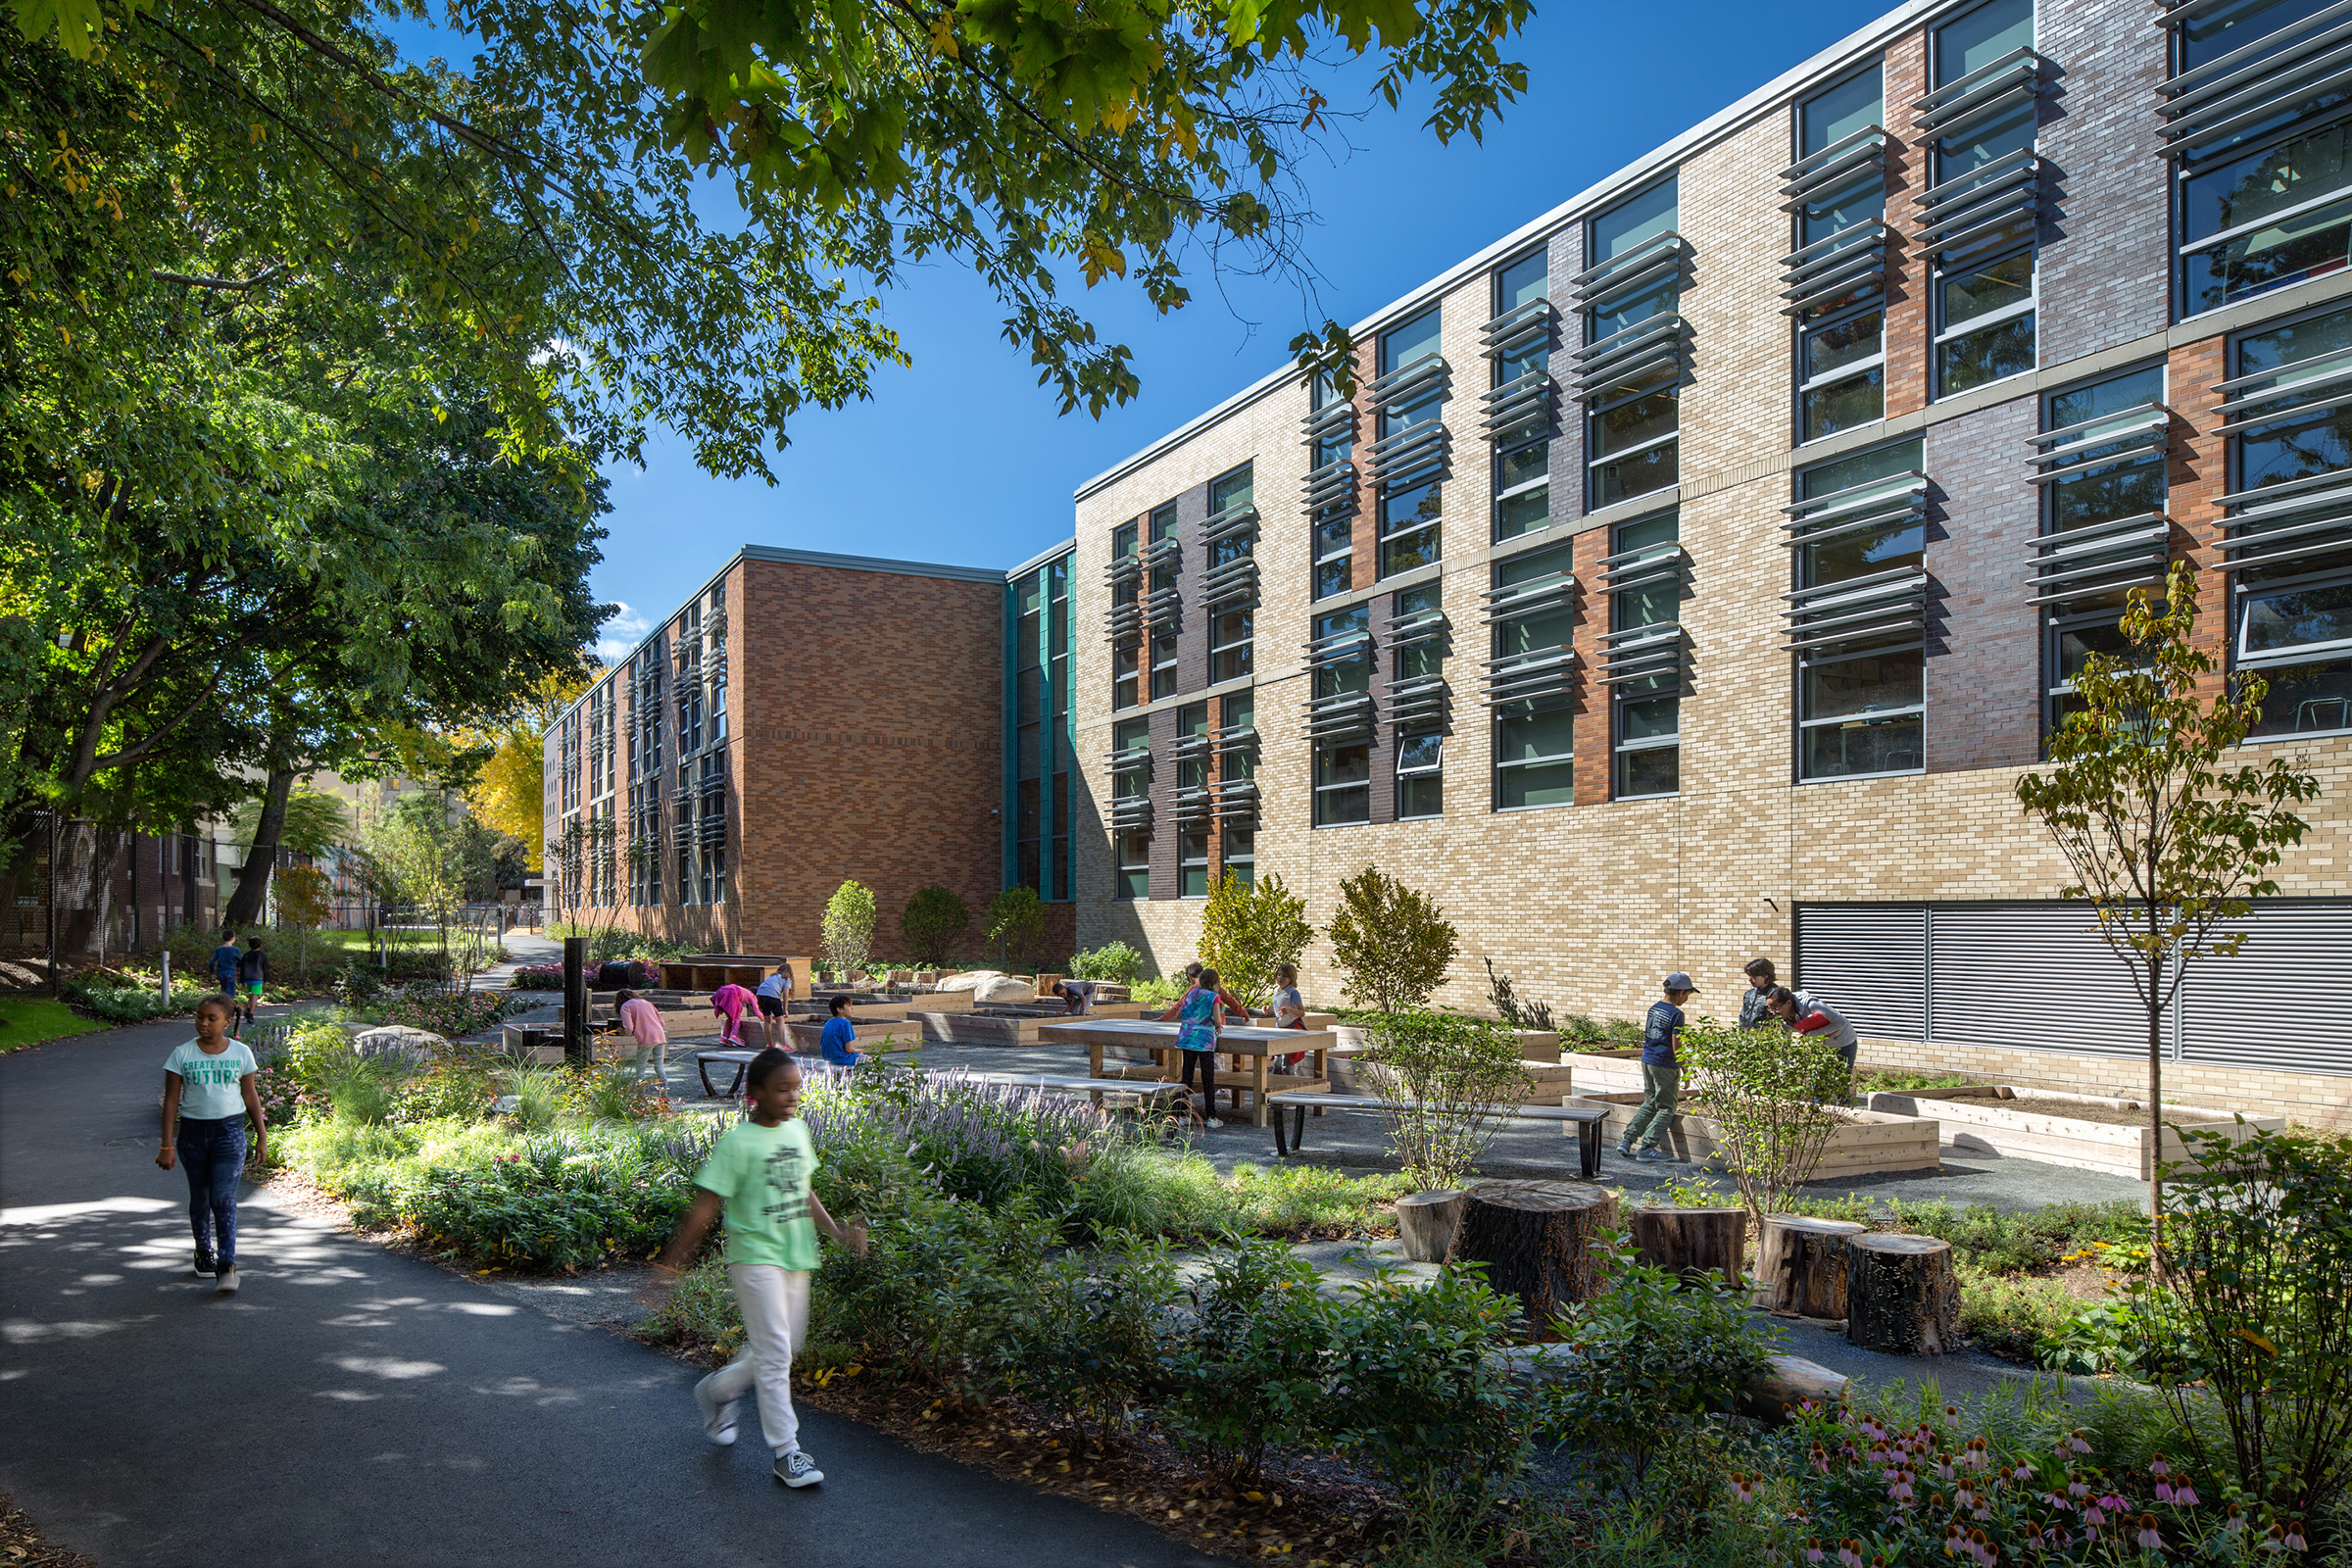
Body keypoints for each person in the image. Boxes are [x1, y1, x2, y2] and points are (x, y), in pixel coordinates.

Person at [646, 1049, 868, 1490]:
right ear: (755, 1093)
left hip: (795, 1254)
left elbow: (804, 1190)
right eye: (782, 1088)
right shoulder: (738, 1144)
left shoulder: (798, 1132)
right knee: (774, 1355)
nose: (792, 1097)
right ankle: (787, 1452)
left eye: (796, 1088)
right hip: (753, 1258)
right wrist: (670, 1268)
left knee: (783, 1348)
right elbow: (703, 1208)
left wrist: (836, 1231)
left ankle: (718, 1391)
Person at [157, 994, 267, 1295]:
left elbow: (250, 1097)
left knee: (224, 1198)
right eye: (198, 1017)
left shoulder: (241, 1053)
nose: (202, 1023)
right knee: (201, 1197)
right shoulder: (182, 1054)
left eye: (211, 1018)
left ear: (228, 1022)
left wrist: (261, 1136)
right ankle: (203, 1252)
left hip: (229, 1134)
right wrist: (167, 1145)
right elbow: (170, 1102)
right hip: (192, 1135)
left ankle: (227, 1263)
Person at [1618, 972, 1696, 1163]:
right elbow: (1676, 1042)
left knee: (1651, 1101)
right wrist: (1684, 1068)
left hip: (1648, 1059)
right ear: (1681, 992)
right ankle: (1648, 1147)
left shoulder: (1654, 1008)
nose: (1686, 999)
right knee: (1667, 1106)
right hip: (1665, 1063)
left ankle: (1628, 1139)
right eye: (1687, 995)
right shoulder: (1677, 1014)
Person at [1156, 966, 1227, 1130]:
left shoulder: (1191, 994)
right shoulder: (1213, 997)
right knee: (1207, 1078)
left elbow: (1181, 1014)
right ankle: (1211, 1117)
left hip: (1187, 1038)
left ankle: (1181, 1115)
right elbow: (1217, 1019)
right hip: (1204, 1041)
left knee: (1186, 1077)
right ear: (1215, 983)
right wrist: (1217, 1027)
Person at [1765, 985, 1859, 1082]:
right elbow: (1785, 1046)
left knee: (1841, 1081)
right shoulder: (1783, 1020)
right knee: (1817, 1082)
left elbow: (1841, 1022)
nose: (1773, 1013)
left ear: (1789, 1003)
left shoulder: (1810, 1004)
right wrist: (1783, 1076)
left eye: (1776, 1008)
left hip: (1843, 1040)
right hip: (1821, 1045)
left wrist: (1814, 1034)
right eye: (1770, 1008)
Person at [617, 988, 669, 1084]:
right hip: (660, 1036)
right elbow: (661, 1022)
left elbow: (629, 1028)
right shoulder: (647, 1003)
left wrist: (623, 1032)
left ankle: (641, 1092)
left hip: (646, 1038)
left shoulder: (625, 1006)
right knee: (659, 1067)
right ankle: (664, 1092)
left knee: (640, 1067)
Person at [1270, 962, 1307, 1072]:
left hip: (1291, 1028)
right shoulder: (1276, 991)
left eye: (1284, 976)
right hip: (1279, 1028)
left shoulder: (1292, 993)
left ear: (1291, 978)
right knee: (1277, 1058)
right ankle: (1276, 1082)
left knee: (1288, 1061)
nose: (1280, 978)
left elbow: (1301, 1012)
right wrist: (1270, 1009)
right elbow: (1278, 1008)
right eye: (1279, 974)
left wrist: (1289, 1010)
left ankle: (1290, 1084)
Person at [816, 995, 864, 1069]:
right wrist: (856, 1050)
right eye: (848, 1006)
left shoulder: (829, 1022)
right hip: (842, 1059)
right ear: (839, 1009)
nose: (851, 1008)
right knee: (870, 1060)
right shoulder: (845, 1023)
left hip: (828, 1059)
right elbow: (849, 1049)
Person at [234, 936, 269, 1034]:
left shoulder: (246, 955)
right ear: (260, 945)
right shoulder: (262, 955)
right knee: (254, 996)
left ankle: (248, 1009)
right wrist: (266, 979)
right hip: (258, 978)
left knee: (251, 994)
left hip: (247, 978)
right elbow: (265, 968)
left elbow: (242, 967)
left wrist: (242, 981)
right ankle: (251, 1014)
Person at [755, 967, 792, 1049]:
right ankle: (783, 1045)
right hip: (773, 996)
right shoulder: (787, 979)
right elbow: (786, 993)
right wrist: (785, 1009)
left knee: (767, 1020)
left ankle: (769, 1044)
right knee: (780, 1020)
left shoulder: (772, 976)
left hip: (760, 994)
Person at [710, 981, 755, 1047]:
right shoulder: (752, 996)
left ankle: (724, 1038)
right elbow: (756, 1011)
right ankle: (734, 1036)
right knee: (737, 1017)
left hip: (722, 992)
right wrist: (764, 1019)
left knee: (730, 1018)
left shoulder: (745, 991)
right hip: (731, 993)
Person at [1738, 957, 1778, 1029]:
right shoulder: (1749, 994)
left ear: (1765, 976)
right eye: (1749, 976)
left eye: (1753, 976)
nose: (1749, 979)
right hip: (1748, 1037)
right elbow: (1742, 1017)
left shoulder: (1776, 995)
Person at [209, 930, 243, 1001]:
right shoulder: (235, 950)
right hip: (231, 972)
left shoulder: (219, 949)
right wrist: (236, 966)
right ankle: (229, 1007)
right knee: (230, 992)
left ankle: (223, 1007)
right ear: (233, 938)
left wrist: (212, 970)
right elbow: (242, 961)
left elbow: (212, 961)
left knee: (223, 991)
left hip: (221, 972)